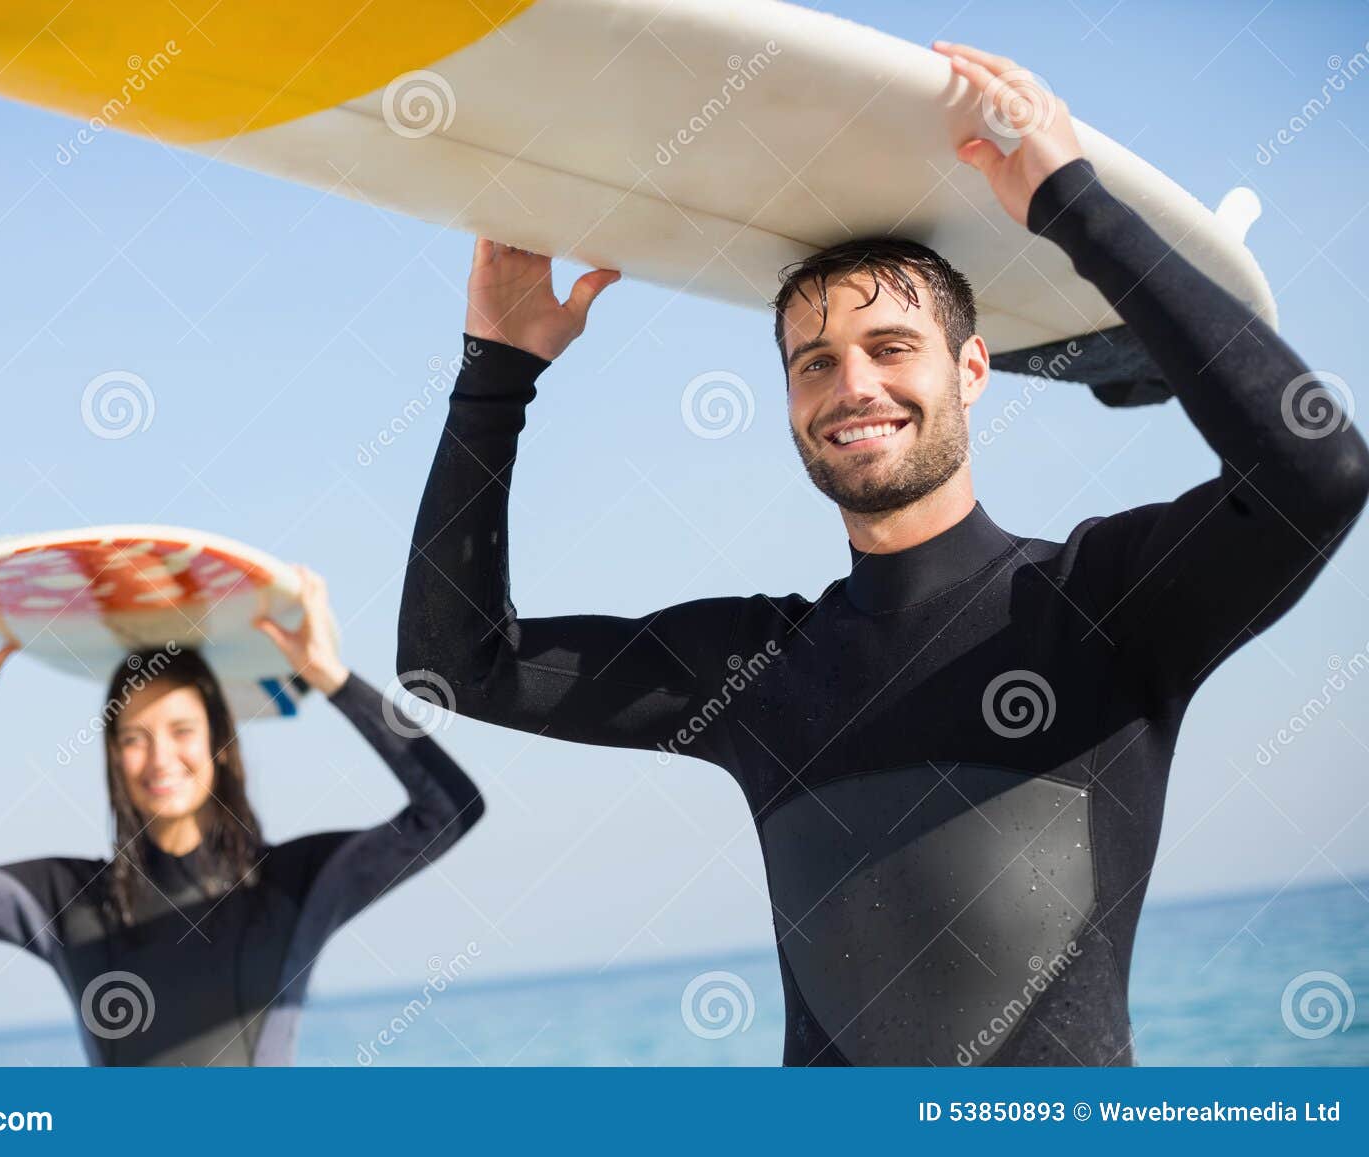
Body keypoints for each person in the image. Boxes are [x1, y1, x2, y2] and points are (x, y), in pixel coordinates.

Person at [397, 41, 1369, 1065]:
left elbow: (1316, 469)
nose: (852, 385)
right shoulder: (755, 666)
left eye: (891, 347)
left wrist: (1069, 201)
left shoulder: (1097, 605)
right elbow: (452, 663)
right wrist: (495, 376)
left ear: (973, 369)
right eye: (814, 362)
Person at [0, 567, 484, 1066]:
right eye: (134, 737)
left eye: (181, 729)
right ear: (113, 756)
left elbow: (450, 810)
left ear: (217, 743)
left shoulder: (295, 883)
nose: (159, 758)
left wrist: (334, 678)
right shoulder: (65, 900)